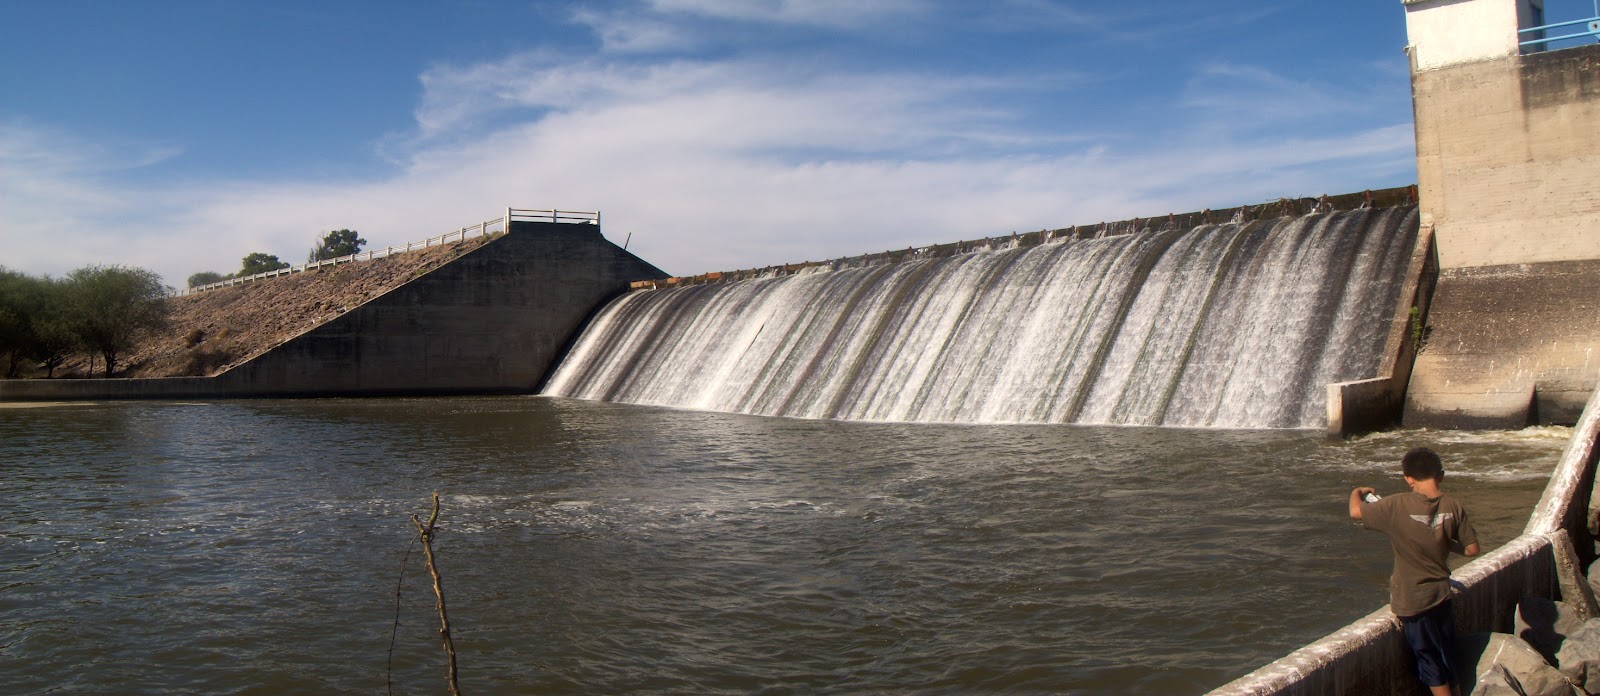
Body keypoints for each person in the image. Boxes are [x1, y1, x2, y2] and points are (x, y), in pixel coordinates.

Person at [1349, 447, 1480, 696]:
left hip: (1412, 599)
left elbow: (1355, 512)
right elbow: (1472, 549)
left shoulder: (1397, 504)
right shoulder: (1454, 506)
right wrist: (1442, 541)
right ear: (1441, 475)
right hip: (1441, 594)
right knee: (1446, 652)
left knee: (1428, 658)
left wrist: (1358, 492)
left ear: (1408, 478)